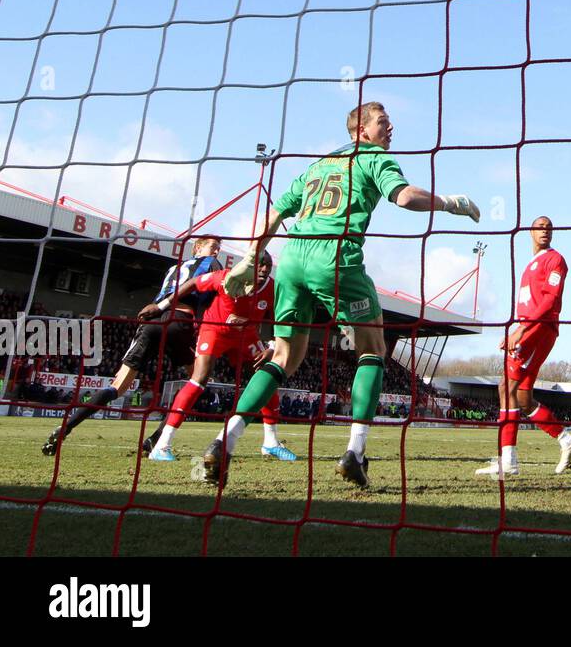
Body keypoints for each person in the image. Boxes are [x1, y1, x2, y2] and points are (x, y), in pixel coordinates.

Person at [201, 101, 480, 488]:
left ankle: (225, 440)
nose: (391, 128)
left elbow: (276, 213)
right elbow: (404, 197)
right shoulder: (374, 159)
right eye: (383, 122)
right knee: (373, 348)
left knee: (284, 355)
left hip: (292, 259)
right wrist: (452, 203)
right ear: (361, 130)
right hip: (335, 256)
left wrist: (250, 256)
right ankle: (356, 452)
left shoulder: (318, 166)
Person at [42, 236, 223, 457]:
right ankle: (155, 441)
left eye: (218, 249)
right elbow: (211, 297)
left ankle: (65, 428)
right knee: (196, 383)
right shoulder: (212, 265)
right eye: (213, 247)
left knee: (118, 385)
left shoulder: (174, 267)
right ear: (198, 248)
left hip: (152, 319)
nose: (216, 252)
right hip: (179, 322)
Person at [142, 251, 295, 461]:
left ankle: (270, 443)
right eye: (260, 264)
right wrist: (161, 306)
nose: (264, 269)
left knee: (267, 377)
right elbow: (194, 282)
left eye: (268, 265)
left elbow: (282, 317)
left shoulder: (271, 288)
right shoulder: (225, 277)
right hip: (214, 330)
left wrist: (272, 345)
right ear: (249, 264)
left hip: (246, 336)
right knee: (200, 379)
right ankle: (162, 445)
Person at [476, 216, 571, 478]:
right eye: (540, 227)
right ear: (530, 232)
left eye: (549, 227)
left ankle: (508, 461)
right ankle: (567, 441)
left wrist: (522, 330)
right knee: (522, 397)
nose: (545, 230)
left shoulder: (555, 260)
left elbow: (550, 299)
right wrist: (516, 328)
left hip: (539, 329)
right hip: (527, 329)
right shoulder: (529, 265)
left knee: (506, 387)